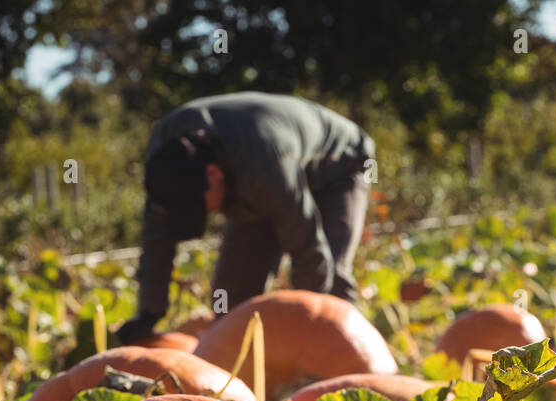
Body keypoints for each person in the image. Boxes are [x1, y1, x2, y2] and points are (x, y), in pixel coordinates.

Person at [117, 92, 375, 345]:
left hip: (340, 166)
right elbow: (156, 239)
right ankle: (242, 372)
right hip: (253, 174)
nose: (207, 215)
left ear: (214, 175)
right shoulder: (164, 160)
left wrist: (307, 328)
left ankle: (351, 364)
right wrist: (149, 312)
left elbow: (308, 250)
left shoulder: (266, 167)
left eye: (200, 207)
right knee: (231, 293)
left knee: (332, 281)